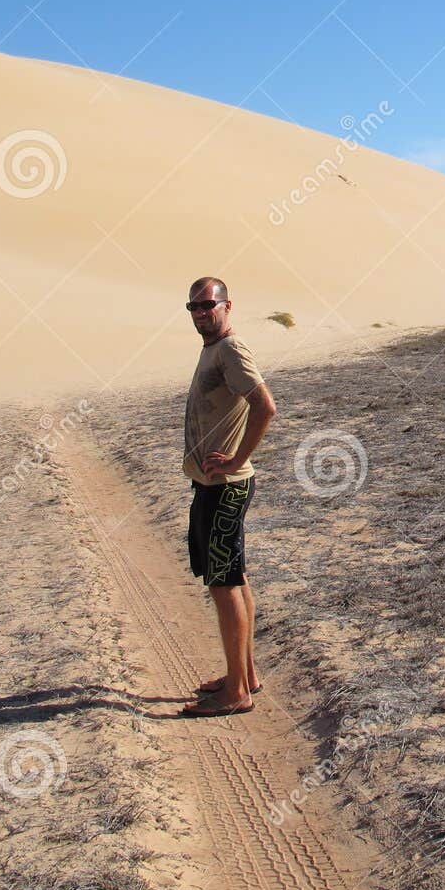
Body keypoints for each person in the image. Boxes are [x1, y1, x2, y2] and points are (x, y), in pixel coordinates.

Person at [178, 276, 277, 717]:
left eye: (207, 305)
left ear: (226, 305)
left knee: (223, 584)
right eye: (193, 307)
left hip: (226, 489)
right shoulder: (213, 349)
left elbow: (265, 406)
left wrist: (237, 459)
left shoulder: (231, 350)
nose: (201, 313)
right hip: (212, 486)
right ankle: (245, 673)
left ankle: (237, 691)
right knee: (233, 579)